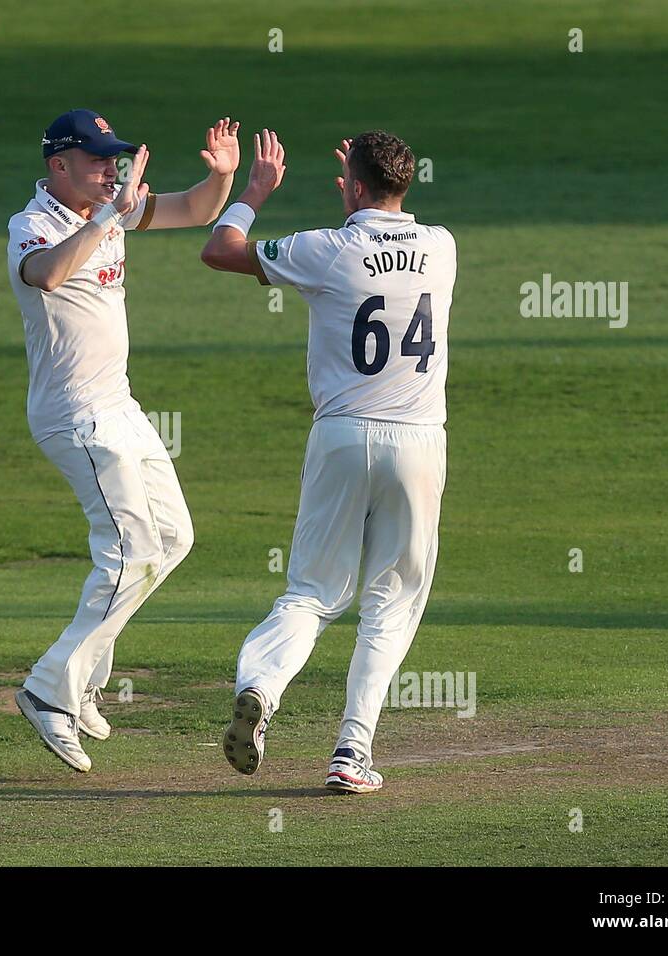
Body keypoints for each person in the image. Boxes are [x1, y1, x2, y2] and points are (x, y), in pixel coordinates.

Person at [201, 129, 457, 792]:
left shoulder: (326, 249)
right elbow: (383, 225)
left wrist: (254, 192)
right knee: (391, 602)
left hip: (342, 436)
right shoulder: (441, 247)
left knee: (311, 593)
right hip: (418, 444)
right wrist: (363, 190)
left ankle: (260, 686)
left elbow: (219, 251)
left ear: (355, 186)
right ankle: (350, 752)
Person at [8, 108, 241, 771]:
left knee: (171, 538)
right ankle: (50, 690)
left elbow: (196, 209)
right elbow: (47, 275)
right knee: (131, 549)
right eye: (97, 159)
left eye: (116, 158)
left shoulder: (111, 208)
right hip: (74, 414)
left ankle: (79, 680)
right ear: (59, 167)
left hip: (120, 406)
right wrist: (110, 215)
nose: (112, 168)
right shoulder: (32, 226)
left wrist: (223, 177)